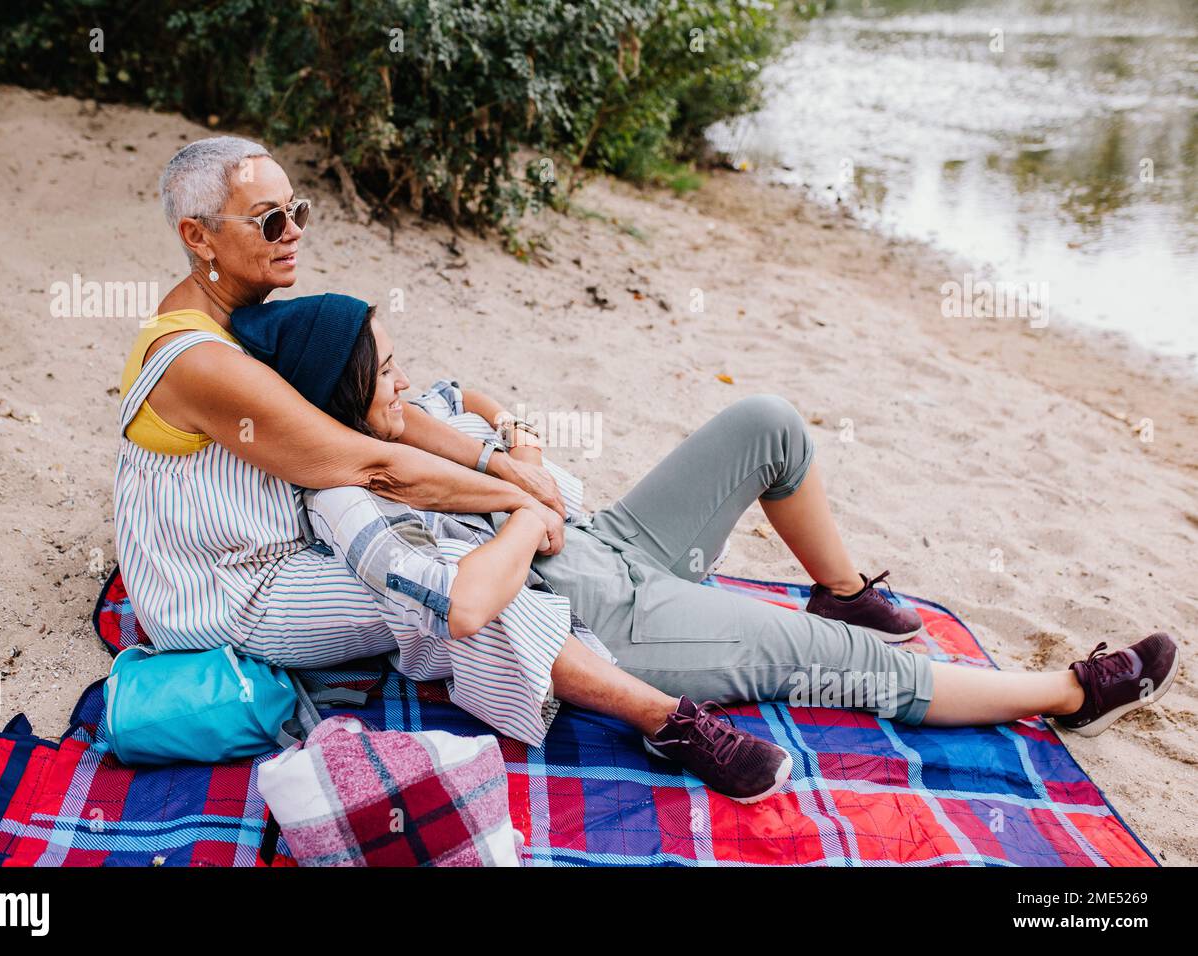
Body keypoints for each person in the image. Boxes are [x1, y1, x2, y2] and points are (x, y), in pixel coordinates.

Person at [114, 135, 1178, 804]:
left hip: (593, 548)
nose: (296, 231)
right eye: (272, 220)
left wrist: (505, 448)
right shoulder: (206, 356)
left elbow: (401, 411)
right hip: (256, 593)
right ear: (197, 235)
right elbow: (364, 460)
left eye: (301, 211)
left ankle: (844, 590)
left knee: (766, 422)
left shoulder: (255, 315)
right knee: (453, 609)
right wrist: (517, 502)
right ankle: (1062, 692)